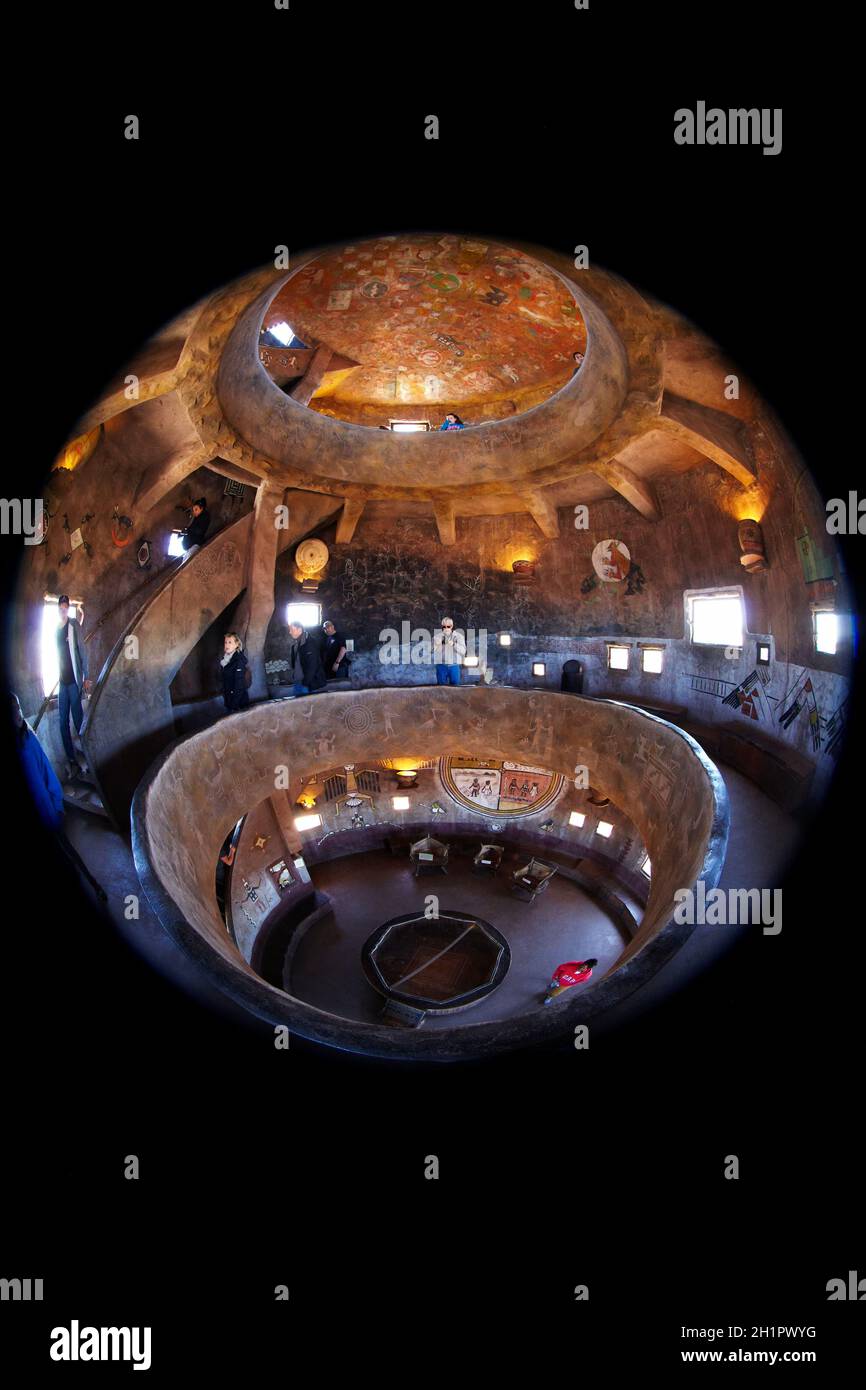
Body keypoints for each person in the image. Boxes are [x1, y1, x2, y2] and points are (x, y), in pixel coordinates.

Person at [10, 691, 107, 902]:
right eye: (12, 711)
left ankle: (94, 885)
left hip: (48, 811)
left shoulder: (28, 739)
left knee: (69, 850)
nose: (17, 714)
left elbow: (47, 771)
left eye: (18, 708)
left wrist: (57, 803)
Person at [56, 595, 91, 778]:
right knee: (62, 723)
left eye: (65, 607)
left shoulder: (73, 625)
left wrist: (86, 676)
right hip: (63, 683)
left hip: (74, 683)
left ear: (68, 608)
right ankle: (72, 759)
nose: (63, 610)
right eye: (60, 608)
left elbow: (83, 652)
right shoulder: (56, 630)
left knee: (78, 721)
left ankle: (87, 756)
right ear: (58, 609)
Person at [287, 622, 326, 697]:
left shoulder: (310, 643)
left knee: (308, 707)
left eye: (292, 629)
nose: (290, 632)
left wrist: (305, 683)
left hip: (307, 684)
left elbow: (312, 666)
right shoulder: (296, 644)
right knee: (298, 706)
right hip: (298, 681)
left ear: (299, 629)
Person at [220, 632, 249, 713]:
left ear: (236, 644)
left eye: (230, 642)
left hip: (238, 703)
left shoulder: (238, 660)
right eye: (225, 642)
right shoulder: (225, 659)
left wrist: (234, 705)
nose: (227, 645)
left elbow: (239, 684)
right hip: (229, 699)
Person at [434, 616, 466, 686]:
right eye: (444, 626)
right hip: (441, 666)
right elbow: (431, 651)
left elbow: (463, 651)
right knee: (441, 689)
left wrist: (454, 644)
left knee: (456, 688)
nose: (446, 628)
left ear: (452, 626)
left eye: (448, 626)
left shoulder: (459, 636)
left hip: (454, 666)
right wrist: (436, 644)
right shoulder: (437, 637)